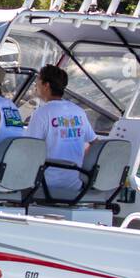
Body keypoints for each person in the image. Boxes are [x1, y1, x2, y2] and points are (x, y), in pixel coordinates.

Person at [27, 64, 96, 197]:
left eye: (38, 81)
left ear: (46, 85)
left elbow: (29, 150)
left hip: (46, 184)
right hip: (75, 184)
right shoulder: (79, 112)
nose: (36, 85)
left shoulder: (41, 114)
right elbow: (95, 143)